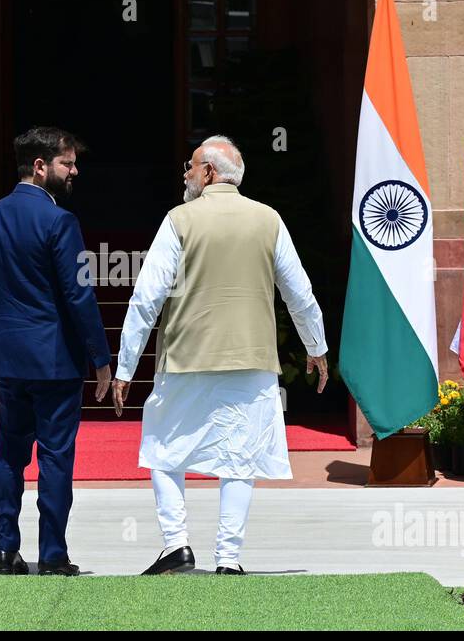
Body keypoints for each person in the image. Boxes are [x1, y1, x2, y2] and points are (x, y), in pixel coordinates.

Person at [113, 135, 328, 575]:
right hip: (252, 361)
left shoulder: (179, 219)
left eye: (190, 166)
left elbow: (145, 299)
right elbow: (299, 293)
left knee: (163, 447)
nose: (185, 174)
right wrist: (317, 347)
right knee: (241, 457)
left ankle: (176, 545)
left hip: (186, 359)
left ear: (209, 172)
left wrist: (125, 367)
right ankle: (227, 559)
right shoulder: (269, 219)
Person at [0, 127, 112, 576]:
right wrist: (101, 359)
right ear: (39, 166)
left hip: (9, 358)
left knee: (8, 454)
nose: (74, 172)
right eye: (67, 163)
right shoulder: (60, 222)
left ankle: (5, 551)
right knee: (55, 457)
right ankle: (52, 555)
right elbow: (78, 295)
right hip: (54, 362)